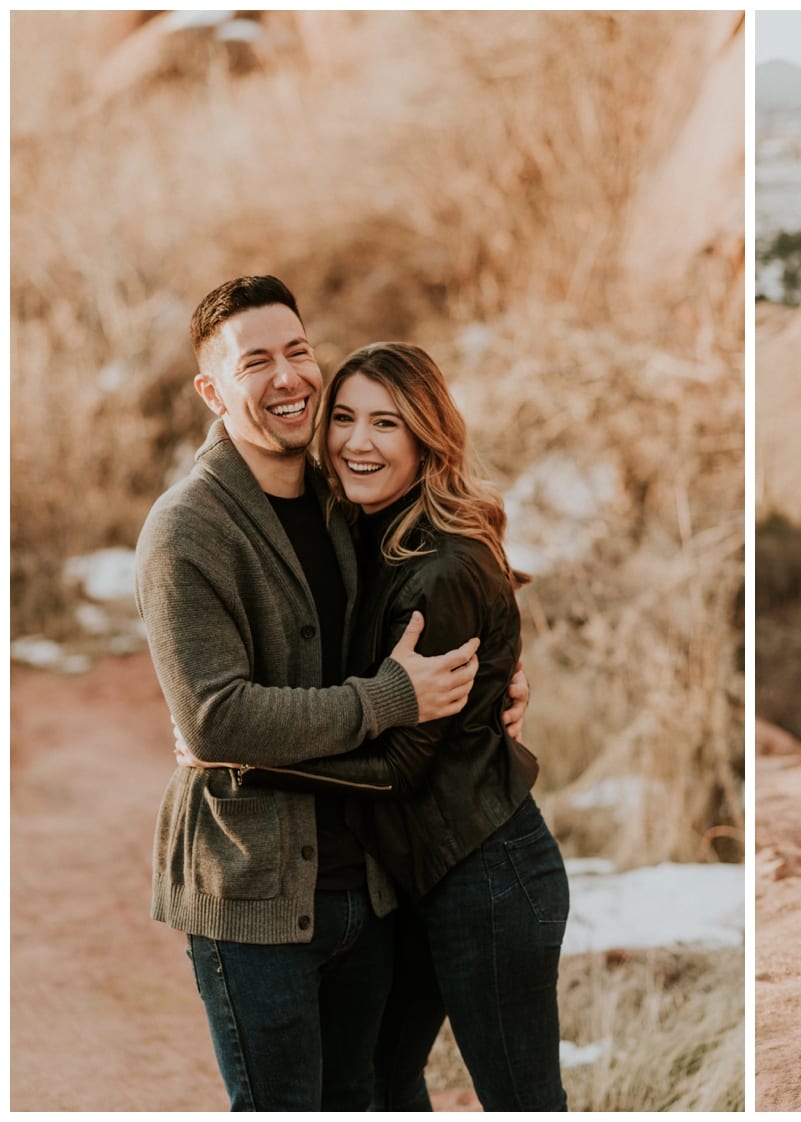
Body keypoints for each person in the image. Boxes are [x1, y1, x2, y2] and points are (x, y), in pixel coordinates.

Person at [181, 342, 570, 1111]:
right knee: (382, 1087)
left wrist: (242, 763)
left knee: (522, 1101)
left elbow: (399, 767)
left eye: (386, 424)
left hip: (488, 876)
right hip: (417, 880)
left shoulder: (440, 567)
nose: (358, 442)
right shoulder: (364, 531)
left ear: (427, 437)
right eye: (346, 419)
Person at [136, 275, 491, 1110]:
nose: (290, 376)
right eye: (256, 361)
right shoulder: (187, 530)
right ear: (211, 390)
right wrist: (391, 698)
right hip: (251, 900)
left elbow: (452, 572)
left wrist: (498, 680)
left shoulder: (344, 493)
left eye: (299, 350)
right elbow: (218, 719)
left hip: (365, 888)